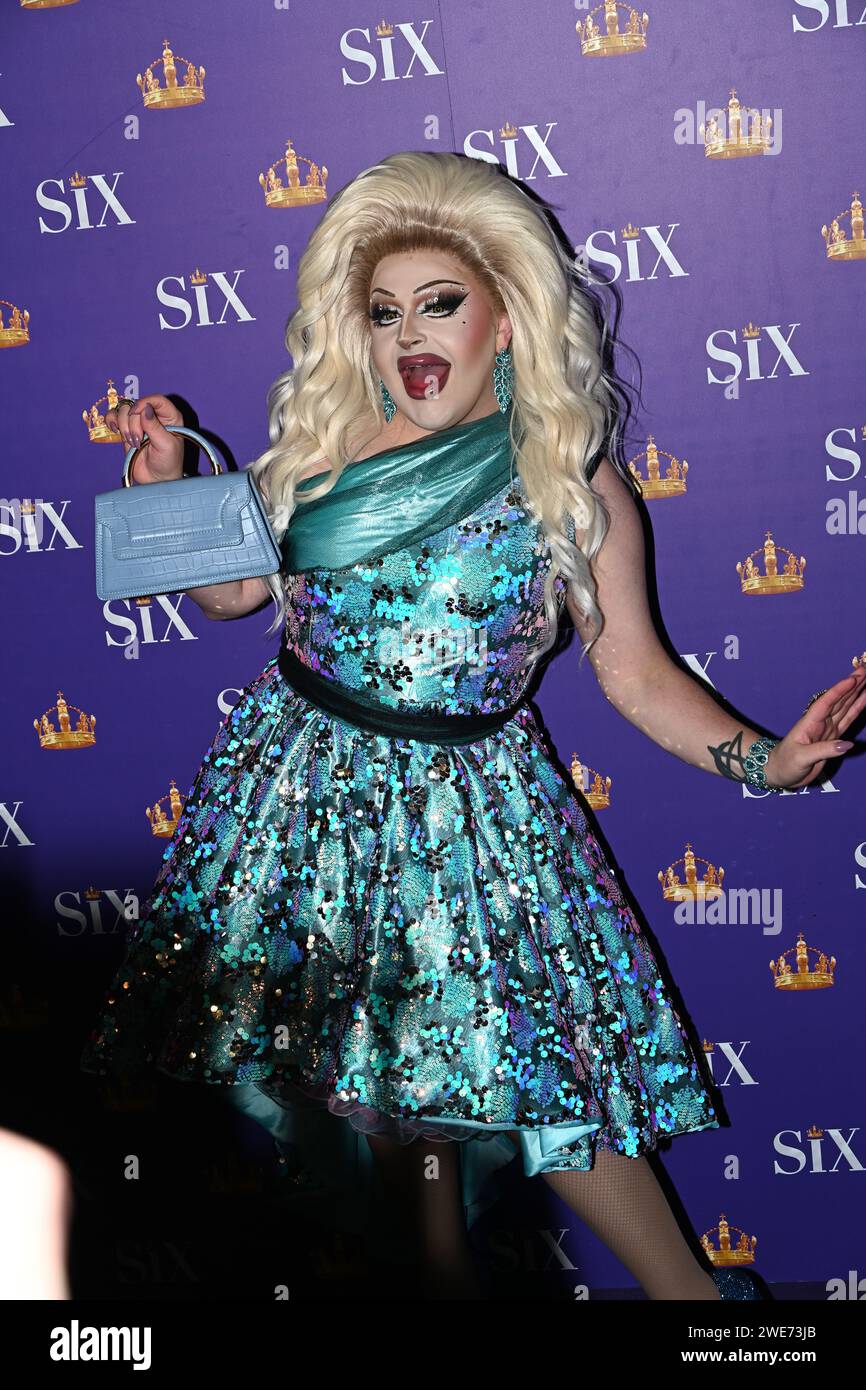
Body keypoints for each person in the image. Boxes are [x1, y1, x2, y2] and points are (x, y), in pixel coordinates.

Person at [81, 150, 866, 1301]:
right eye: (386, 310)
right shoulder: (322, 453)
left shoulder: (569, 486)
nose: (410, 336)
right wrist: (158, 486)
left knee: (543, 1083)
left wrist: (770, 760)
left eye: (439, 305)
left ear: (506, 320)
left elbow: (638, 678)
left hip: (470, 824)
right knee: (381, 1129)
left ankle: (704, 1318)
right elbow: (228, 597)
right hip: (305, 805)